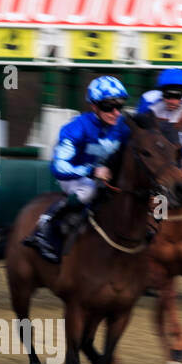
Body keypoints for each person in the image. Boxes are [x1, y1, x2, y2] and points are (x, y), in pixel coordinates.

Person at [23, 75, 132, 262]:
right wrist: (90, 171)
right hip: (74, 176)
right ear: (94, 107)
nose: (115, 112)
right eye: (108, 107)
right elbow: (59, 166)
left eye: (119, 106)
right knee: (89, 190)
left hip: (107, 175)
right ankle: (44, 228)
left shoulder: (122, 127)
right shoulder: (76, 128)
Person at [137, 68, 182, 189]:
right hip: (155, 149)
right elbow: (139, 134)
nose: (172, 101)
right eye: (168, 95)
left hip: (179, 147)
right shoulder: (147, 102)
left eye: (177, 96)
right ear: (161, 93)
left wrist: (181, 153)